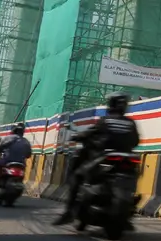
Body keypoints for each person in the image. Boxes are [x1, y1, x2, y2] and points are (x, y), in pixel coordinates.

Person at [54, 92, 140, 225]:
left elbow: (89, 133)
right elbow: (135, 141)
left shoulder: (105, 121)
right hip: (127, 159)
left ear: (111, 105)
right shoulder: (130, 123)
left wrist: (78, 136)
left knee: (77, 175)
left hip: (105, 157)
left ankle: (69, 211)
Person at [0, 123, 32, 192]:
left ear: (14, 131)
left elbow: (1, 146)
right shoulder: (26, 141)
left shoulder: (9, 138)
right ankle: (20, 182)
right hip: (21, 163)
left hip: (8, 160)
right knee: (24, 168)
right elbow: (28, 155)